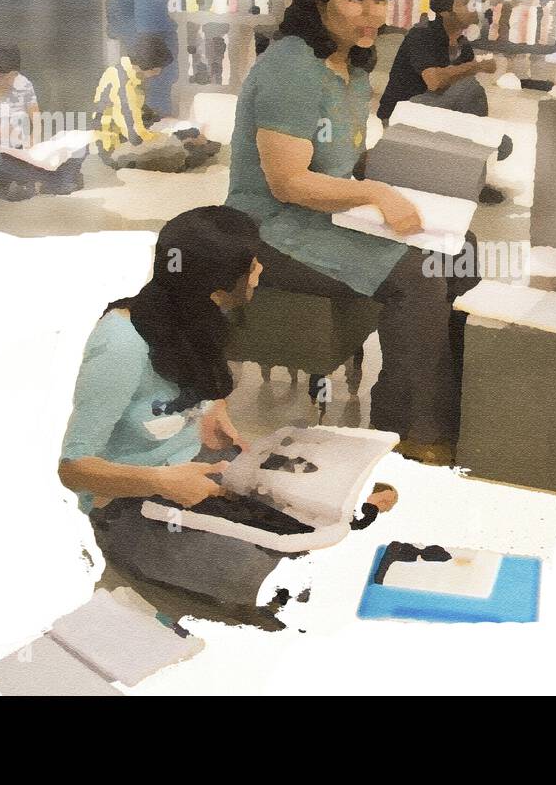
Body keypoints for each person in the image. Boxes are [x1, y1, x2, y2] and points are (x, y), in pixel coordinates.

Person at [57, 206, 396, 619]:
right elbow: (73, 469)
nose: (259, 270)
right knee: (263, 576)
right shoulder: (120, 345)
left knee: (317, 503)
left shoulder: (198, 314)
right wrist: (162, 481)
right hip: (128, 501)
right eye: (250, 264)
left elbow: (198, 385)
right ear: (217, 284)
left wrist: (214, 419)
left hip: (198, 469)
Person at [227, 0, 478, 465]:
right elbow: (288, 183)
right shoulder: (291, 68)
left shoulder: (353, 67)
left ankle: (421, 399)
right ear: (318, 2)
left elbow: (342, 161)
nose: (372, 13)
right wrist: (376, 192)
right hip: (271, 229)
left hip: (326, 214)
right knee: (419, 271)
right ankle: (410, 427)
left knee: (465, 247)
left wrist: (422, 177)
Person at [377, 0, 512, 204]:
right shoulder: (422, 35)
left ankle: (466, 175)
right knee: (470, 89)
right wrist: (477, 66)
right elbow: (434, 81)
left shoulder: (463, 47)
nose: (475, 6)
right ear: (444, 9)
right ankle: (469, 175)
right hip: (403, 115)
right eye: (467, 0)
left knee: (495, 137)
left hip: (433, 113)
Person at [0, 42, 83, 200]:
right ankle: (54, 181)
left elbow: (36, 120)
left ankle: (32, 183)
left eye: (10, 76)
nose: (5, 81)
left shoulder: (23, 84)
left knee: (77, 146)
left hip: (21, 148)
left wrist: (33, 139)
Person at [92, 34, 220, 172]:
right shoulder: (124, 84)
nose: (159, 72)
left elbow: (137, 110)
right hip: (115, 149)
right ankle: (192, 147)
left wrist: (161, 120)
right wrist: (172, 138)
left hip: (123, 138)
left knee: (187, 134)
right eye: (160, 68)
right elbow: (135, 136)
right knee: (181, 153)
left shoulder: (121, 72)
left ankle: (193, 144)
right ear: (152, 66)